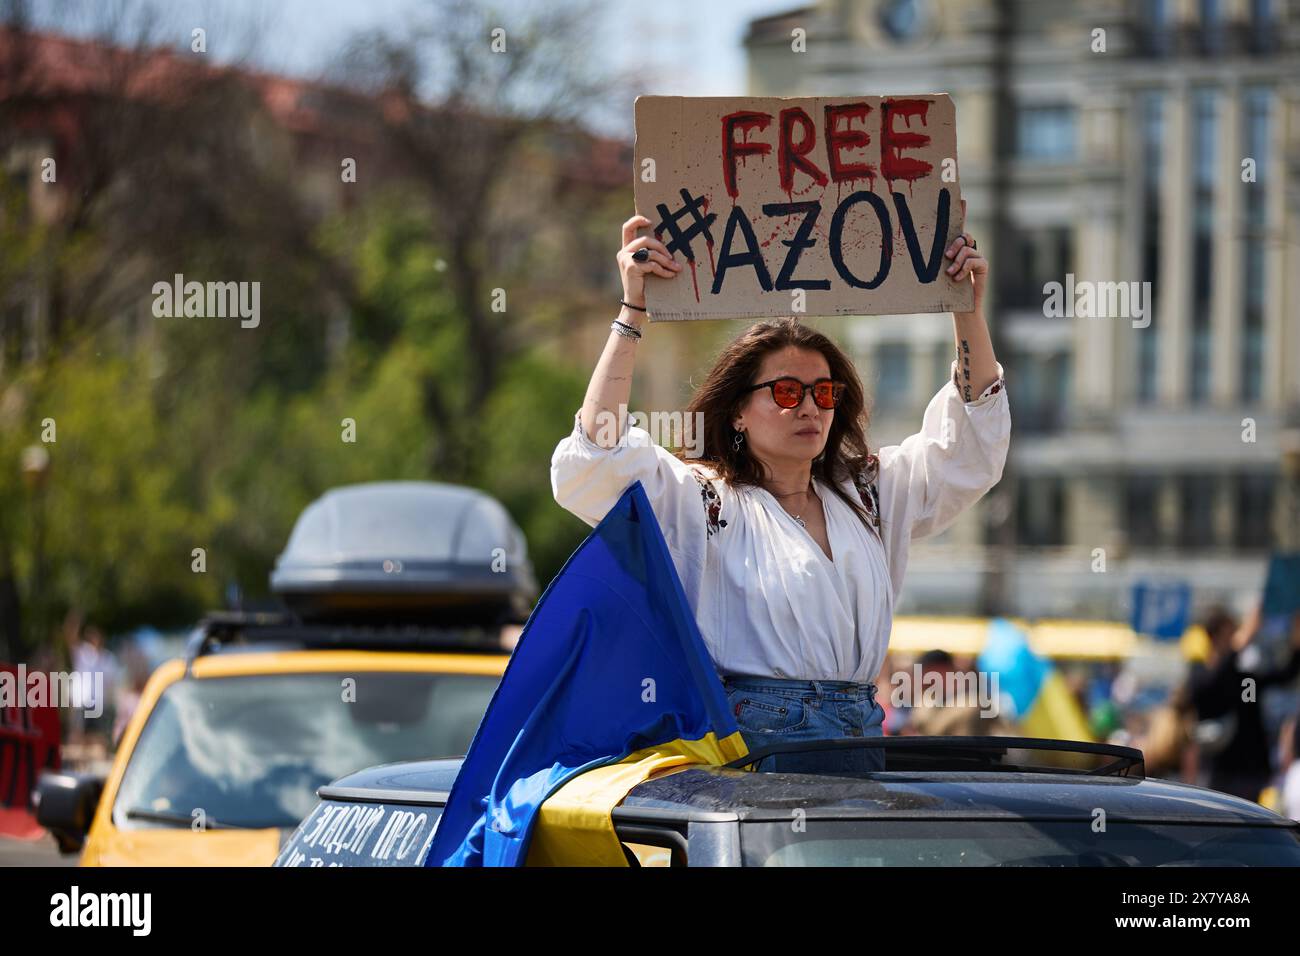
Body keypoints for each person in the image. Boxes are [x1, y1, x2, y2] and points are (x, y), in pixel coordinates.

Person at [550, 213, 1010, 774]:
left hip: (859, 739)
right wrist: (632, 311)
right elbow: (595, 458)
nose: (810, 406)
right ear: (738, 411)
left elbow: (969, 447)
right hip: (750, 748)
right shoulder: (701, 500)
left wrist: (966, 308)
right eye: (787, 391)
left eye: (823, 391)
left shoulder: (868, 493)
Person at [1178, 606, 1300, 802]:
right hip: (1219, 771)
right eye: (1230, 633)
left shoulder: (1242, 677)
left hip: (1248, 771)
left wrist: (1296, 645)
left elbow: (1279, 678)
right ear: (1216, 636)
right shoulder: (1201, 673)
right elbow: (1212, 685)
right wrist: (1240, 644)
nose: (1236, 637)